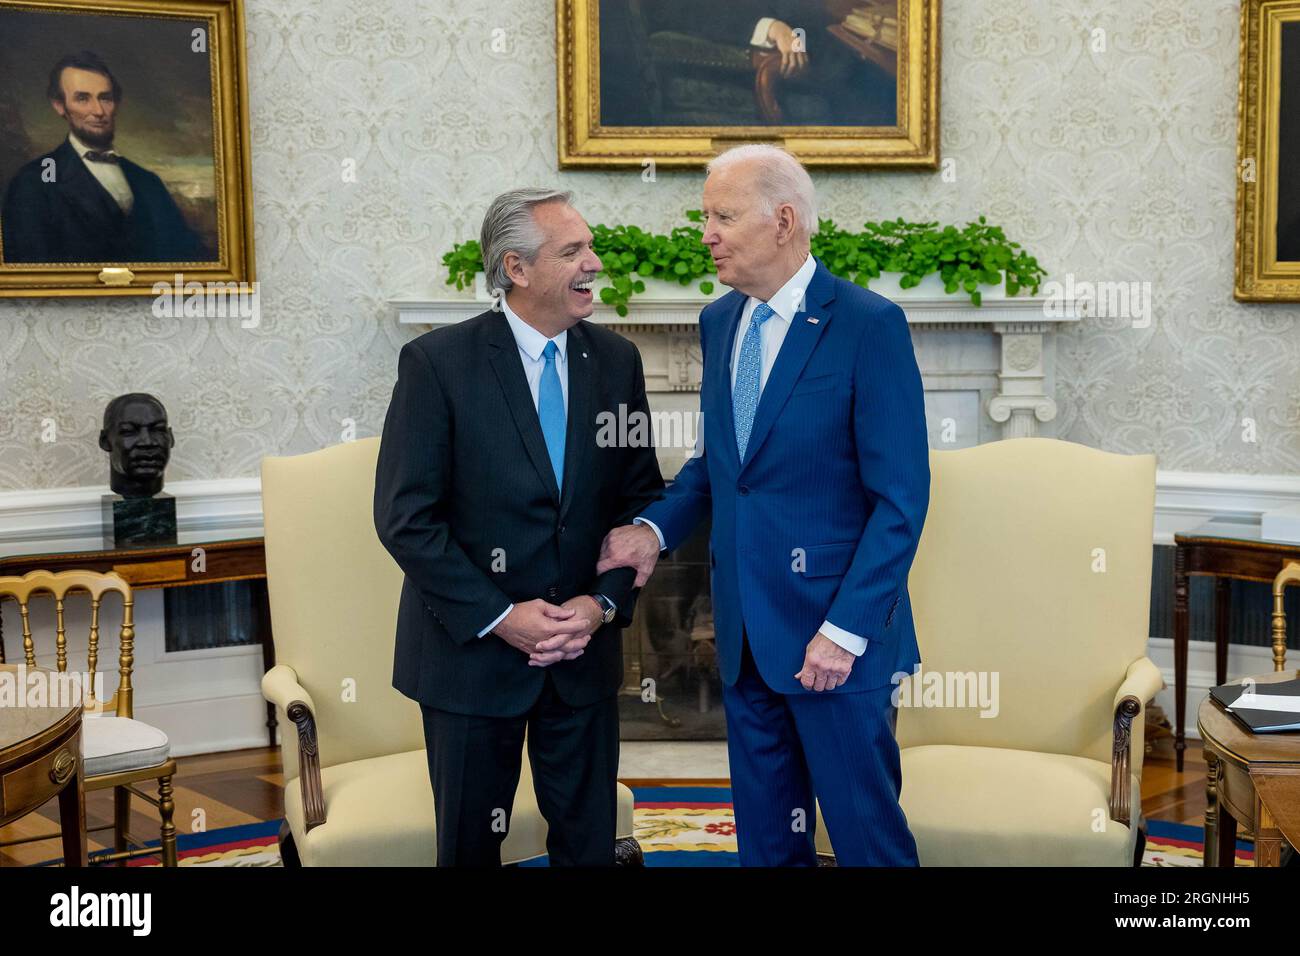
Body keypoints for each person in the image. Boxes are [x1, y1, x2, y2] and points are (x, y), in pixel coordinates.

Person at [598, 144, 930, 866]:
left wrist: (843, 633)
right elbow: (723, 468)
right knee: (769, 849)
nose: (706, 232)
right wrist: (654, 529)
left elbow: (900, 502)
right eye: (704, 216)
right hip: (746, 639)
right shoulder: (721, 323)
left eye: (722, 215)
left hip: (836, 644)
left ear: (783, 220)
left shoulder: (868, 325)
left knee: (869, 842)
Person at [374, 187, 664, 866]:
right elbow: (406, 520)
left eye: (590, 246)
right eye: (573, 251)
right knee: (472, 850)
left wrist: (601, 605)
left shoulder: (616, 363)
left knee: (588, 849)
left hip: (582, 656)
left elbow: (639, 503)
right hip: (471, 662)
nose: (594, 262)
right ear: (517, 268)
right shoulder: (438, 365)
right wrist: (503, 615)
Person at [1, 51, 206, 264]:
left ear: (115, 104)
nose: (98, 111)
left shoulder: (148, 181)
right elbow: (30, 270)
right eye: (83, 98)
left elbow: (188, 255)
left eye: (105, 98)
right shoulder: (32, 181)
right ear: (59, 106)